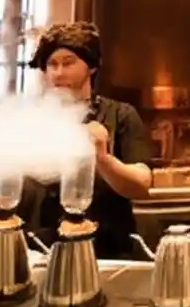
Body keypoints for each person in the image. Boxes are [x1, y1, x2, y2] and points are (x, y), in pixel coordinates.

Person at [26, 22, 155, 258]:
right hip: (43, 247)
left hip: (109, 250)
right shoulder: (31, 118)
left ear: (92, 66)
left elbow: (141, 185)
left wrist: (103, 159)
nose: (59, 73)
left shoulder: (120, 114)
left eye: (68, 63)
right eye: (52, 64)